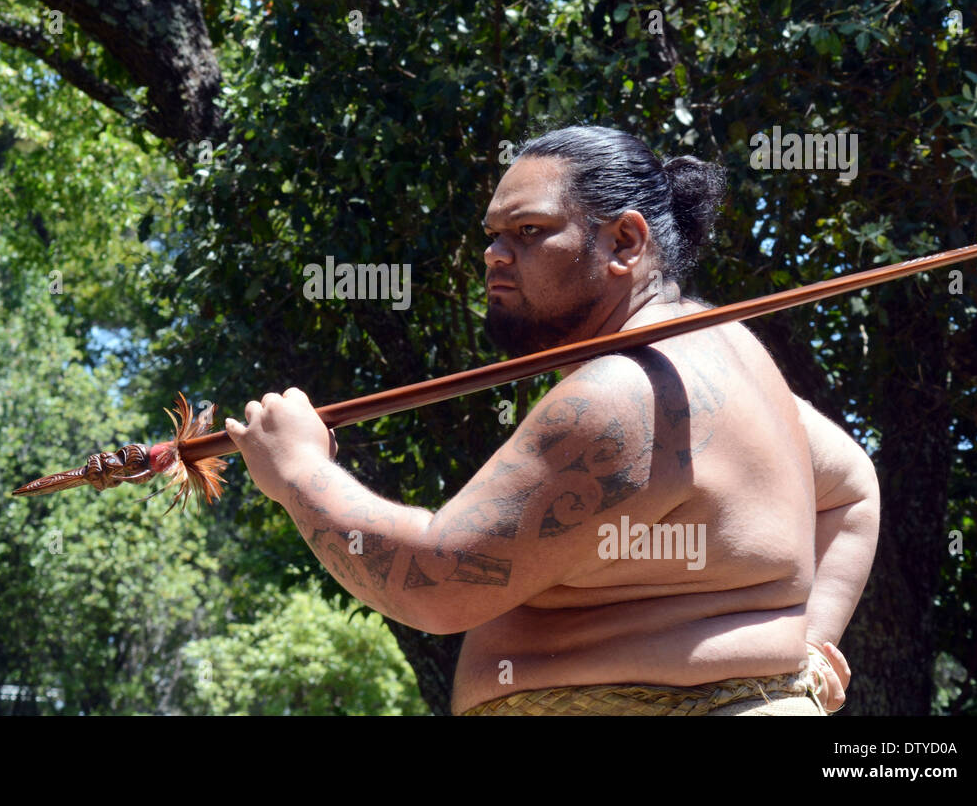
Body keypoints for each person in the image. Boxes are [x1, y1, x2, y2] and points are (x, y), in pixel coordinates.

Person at [225, 124, 879, 716]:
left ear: (624, 241)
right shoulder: (730, 364)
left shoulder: (625, 392)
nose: (494, 256)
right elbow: (852, 485)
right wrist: (809, 651)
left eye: (529, 231)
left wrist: (300, 472)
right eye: (493, 237)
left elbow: (441, 579)